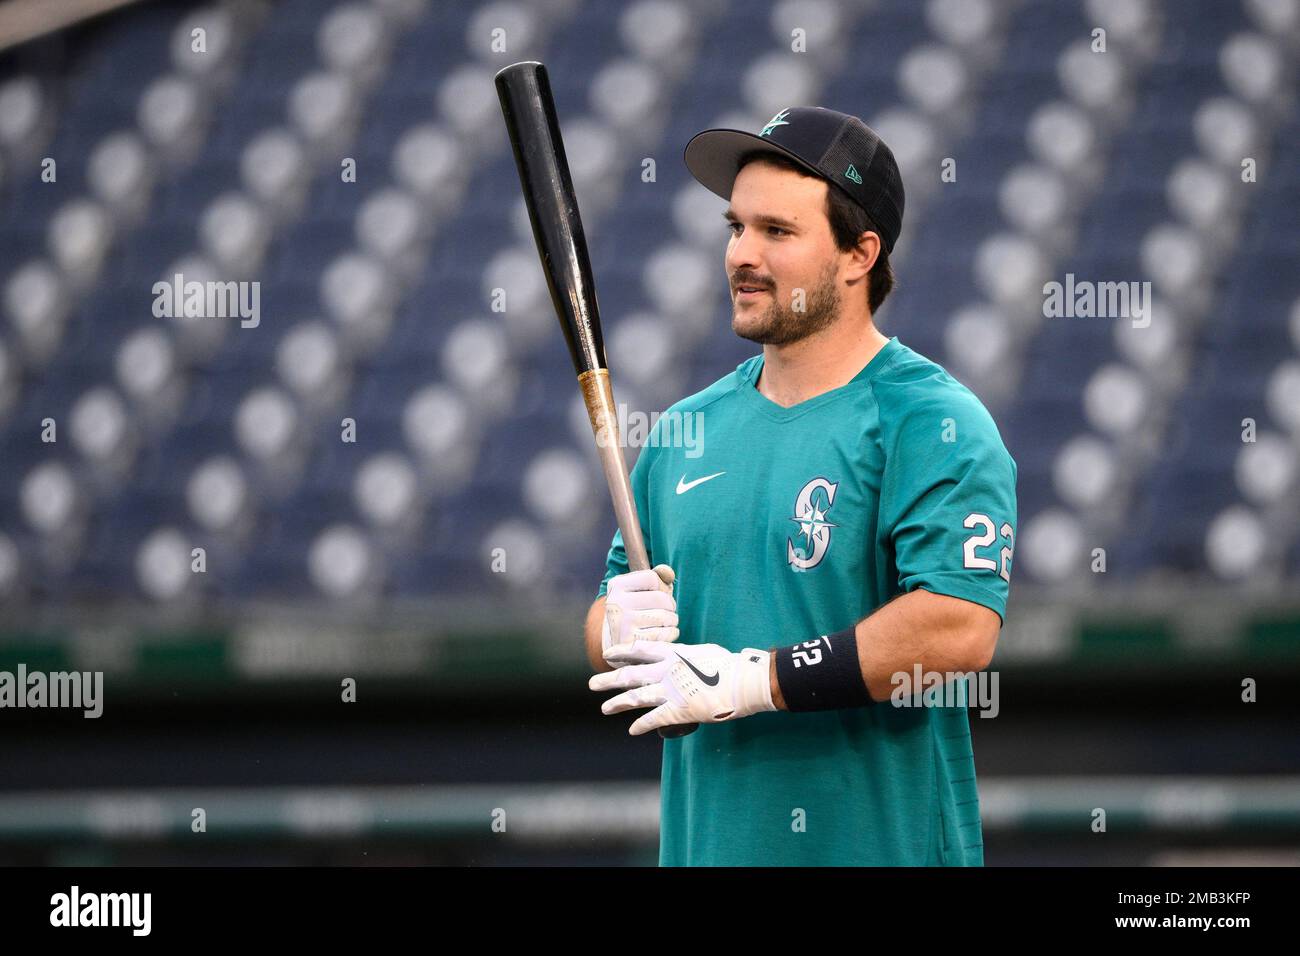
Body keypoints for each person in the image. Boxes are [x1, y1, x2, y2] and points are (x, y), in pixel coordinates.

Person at [584, 107, 1018, 866]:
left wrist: (756, 681)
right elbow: (608, 611)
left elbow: (957, 628)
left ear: (859, 254)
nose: (741, 255)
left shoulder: (930, 420)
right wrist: (619, 635)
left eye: (776, 232)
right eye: (735, 227)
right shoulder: (687, 428)